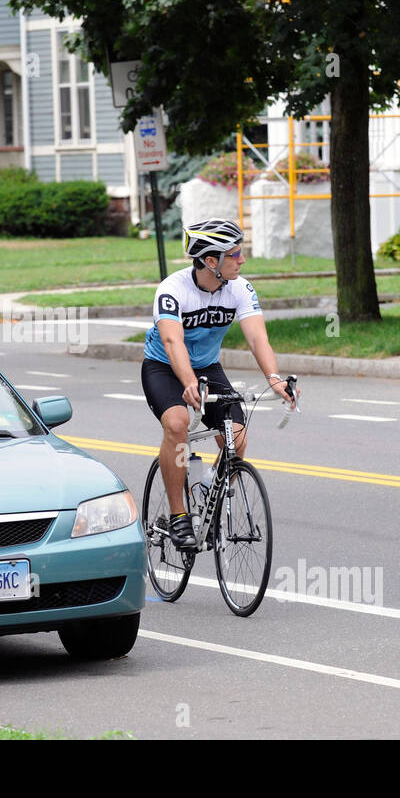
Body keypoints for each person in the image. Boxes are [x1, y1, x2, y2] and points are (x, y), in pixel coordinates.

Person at [142, 217, 296, 550]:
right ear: (211, 261)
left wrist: (274, 378)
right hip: (164, 367)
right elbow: (172, 342)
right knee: (177, 424)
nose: (242, 260)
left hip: (207, 366)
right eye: (235, 254)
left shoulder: (239, 288)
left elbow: (257, 337)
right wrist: (187, 383)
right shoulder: (173, 289)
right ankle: (179, 516)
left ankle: (209, 491)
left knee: (236, 438)